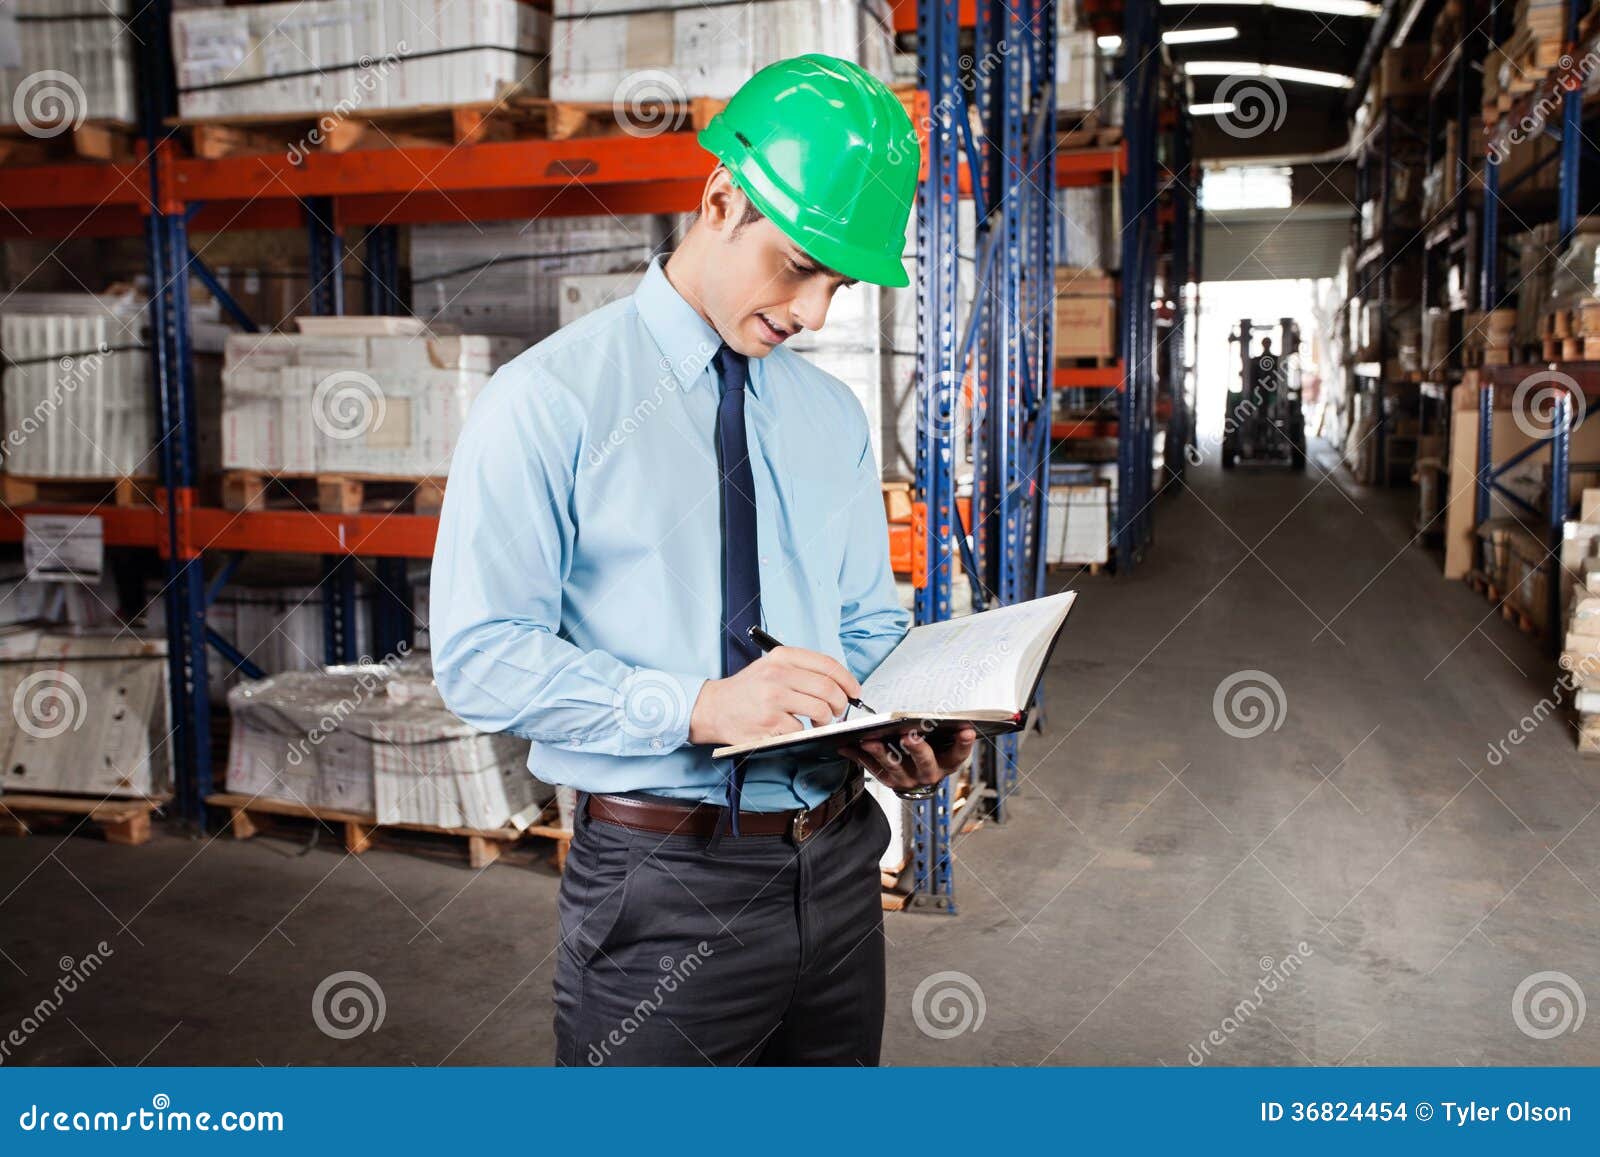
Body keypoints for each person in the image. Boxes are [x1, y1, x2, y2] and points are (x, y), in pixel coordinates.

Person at [429, 54, 977, 1066]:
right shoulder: (549, 402)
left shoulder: (827, 416)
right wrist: (694, 706)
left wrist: (907, 723)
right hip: (663, 888)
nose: (814, 313)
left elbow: (863, 622)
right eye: (801, 266)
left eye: (839, 283)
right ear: (721, 197)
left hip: (842, 862)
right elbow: (481, 657)